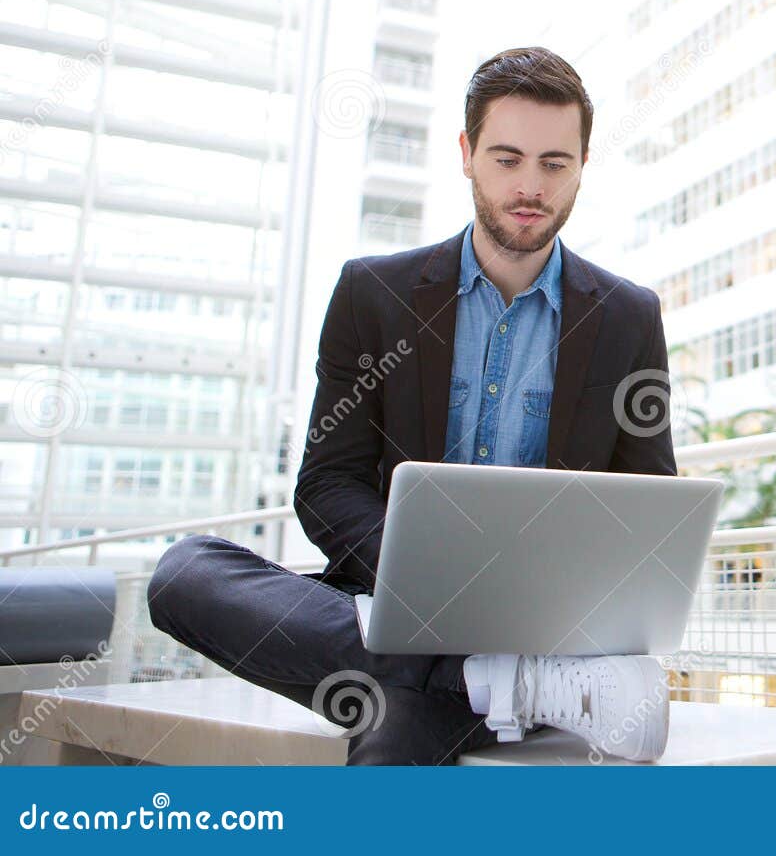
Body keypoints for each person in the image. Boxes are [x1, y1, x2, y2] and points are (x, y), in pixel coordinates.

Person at [147, 46, 678, 764]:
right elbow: (327, 484)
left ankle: (482, 675)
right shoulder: (375, 294)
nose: (530, 185)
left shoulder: (627, 317)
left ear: (584, 161)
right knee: (186, 573)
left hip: (540, 632)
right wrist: (422, 590)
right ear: (466, 153)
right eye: (506, 158)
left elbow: (646, 506)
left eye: (555, 163)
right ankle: (493, 680)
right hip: (391, 609)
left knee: (391, 736)